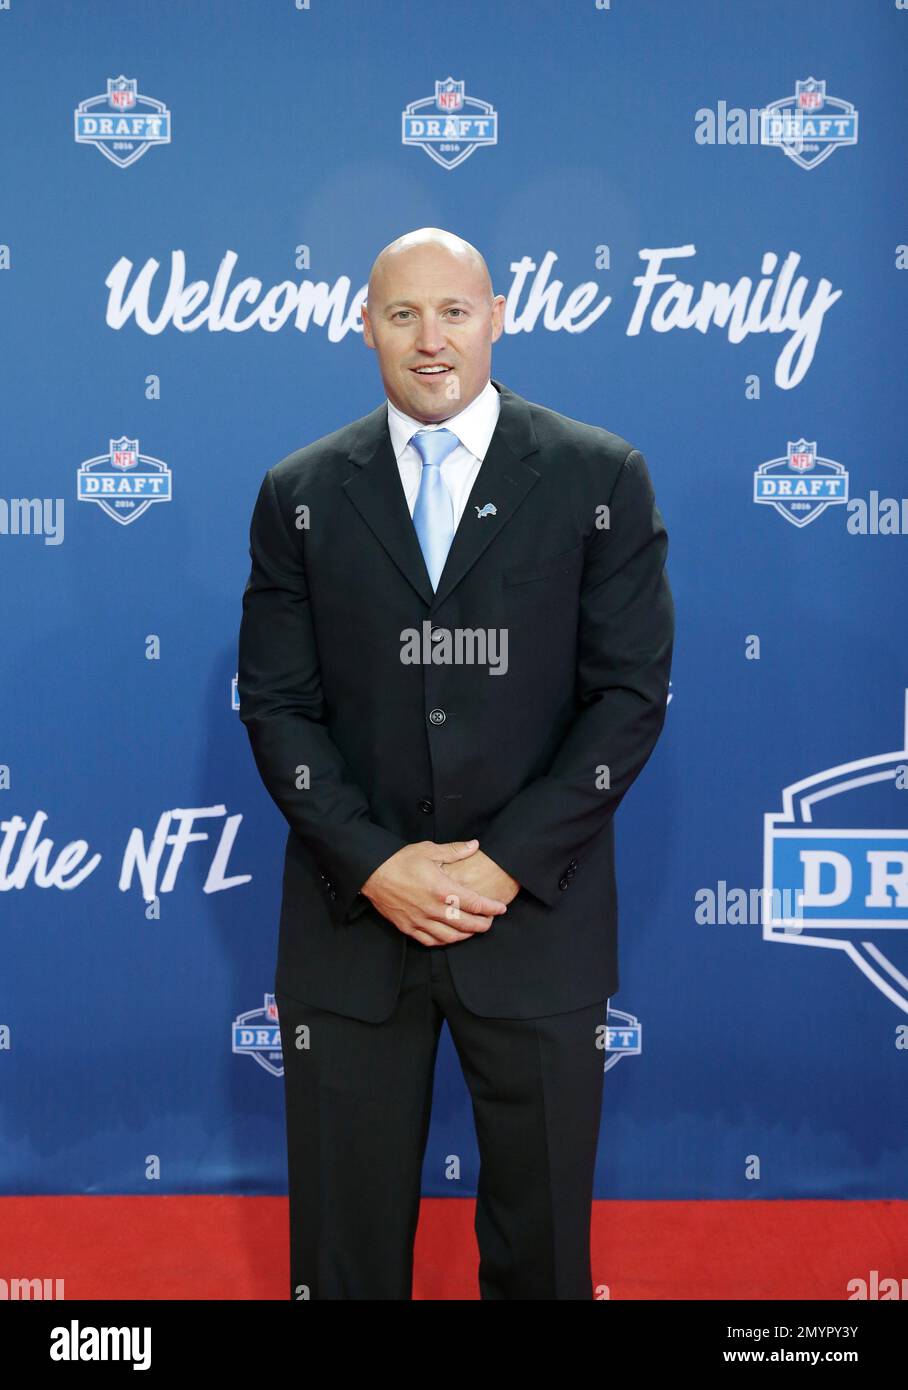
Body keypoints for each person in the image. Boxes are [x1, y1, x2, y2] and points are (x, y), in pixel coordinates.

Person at [237, 226, 674, 1300]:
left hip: (534, 926)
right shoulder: (298, 491)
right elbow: (277, 706)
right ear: (364, 326)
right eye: (402, 314)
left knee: (544, 1262)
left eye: (453, 311)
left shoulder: (594, 474)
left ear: (496, 317)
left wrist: (501, 863)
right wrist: (378, 863)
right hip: (351, 931)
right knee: (341, 1265)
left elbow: (627, 697)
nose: (429, 339)